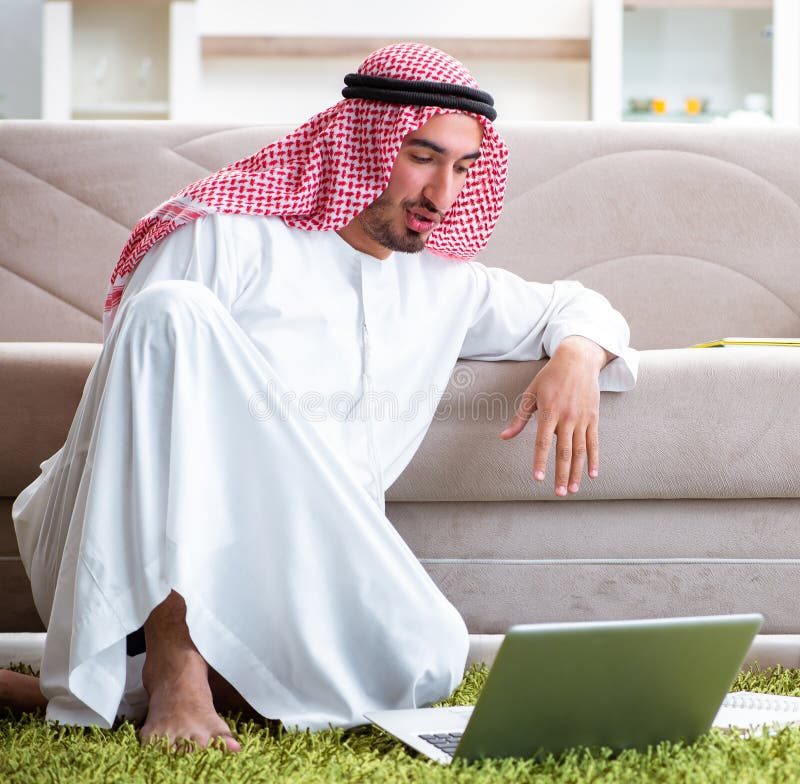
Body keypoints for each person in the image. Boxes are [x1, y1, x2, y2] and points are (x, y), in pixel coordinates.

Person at [4, 43, 638, 752]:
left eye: (463, 168)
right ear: (360, 143)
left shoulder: (445, 285)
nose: (443, 194)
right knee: (172, 312)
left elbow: (581, 306)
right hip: (120, 528)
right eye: (423, 157)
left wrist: (578, 354)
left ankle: (78, 689)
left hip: (292, 559)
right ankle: (174, 668)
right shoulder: (228, 238)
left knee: (428, 656)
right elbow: (136, 401)